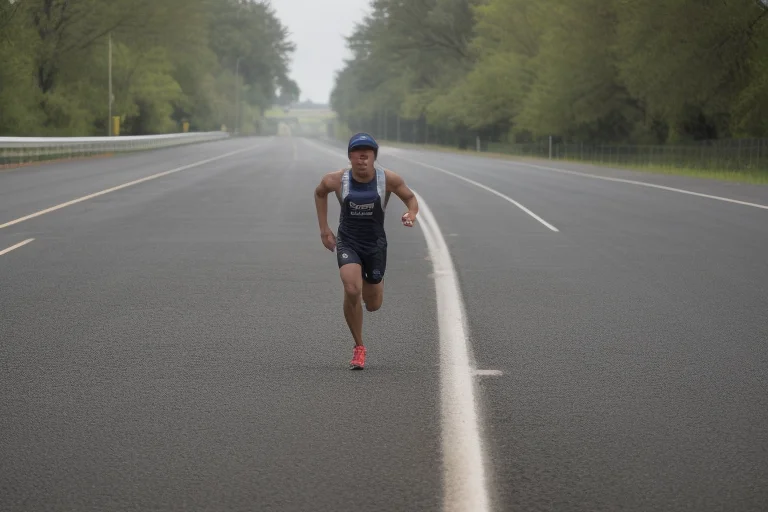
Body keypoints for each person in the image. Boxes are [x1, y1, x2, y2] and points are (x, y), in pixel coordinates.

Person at [314, 133, 419, 370]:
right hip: (348, 241)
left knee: (372, 304)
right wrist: (324, 229)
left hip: (374, 244)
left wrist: (411, 214)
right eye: (357, 153)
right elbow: (319, 193)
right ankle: (359, 347)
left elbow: (411, 199)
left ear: (374, 157)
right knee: (351, 288)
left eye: (367, 154)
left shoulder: (388, 179)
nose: (362, 158)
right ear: (350, 157)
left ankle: (366, 282)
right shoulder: (336, 179)